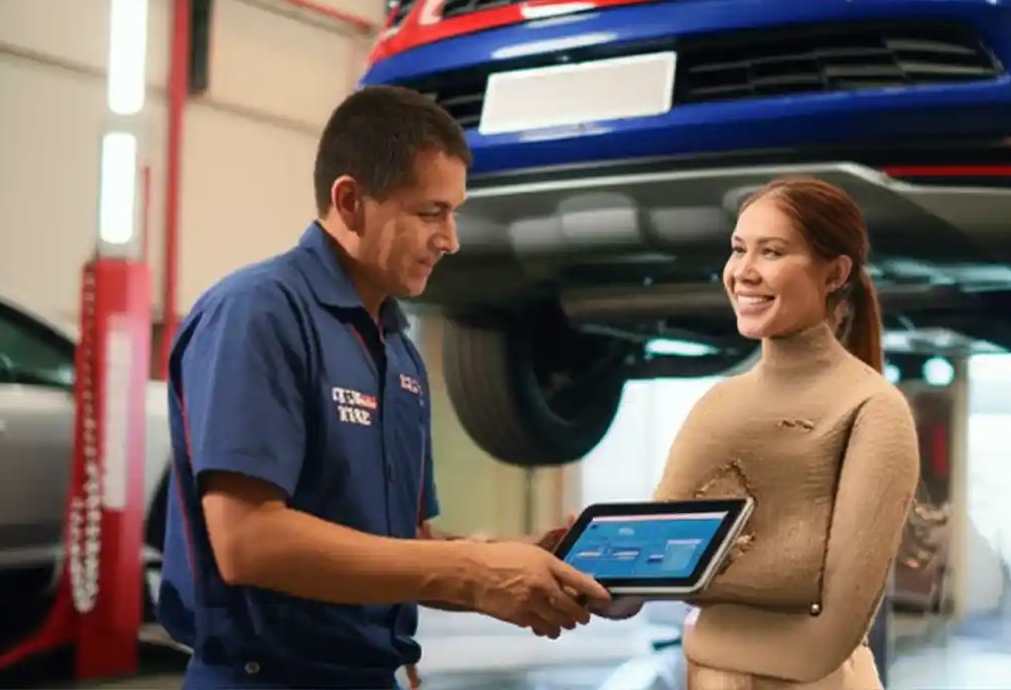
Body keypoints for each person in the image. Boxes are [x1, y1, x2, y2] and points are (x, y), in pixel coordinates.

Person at [156, 85, 611, 690]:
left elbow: (406, 546)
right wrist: (470, 569)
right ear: (350, 201)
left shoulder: (397, 349)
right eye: (430, 213)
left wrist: (521, 553)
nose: (451, 239)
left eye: (454, 213)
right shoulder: (258, 314)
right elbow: (250, 540)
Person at [649, 177, 922, 689]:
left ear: (835, 273)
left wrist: (701, 633)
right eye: (737, 250)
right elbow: (657, 567)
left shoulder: (871, 409)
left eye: (771, 252)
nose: (743, 273)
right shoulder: (717, 405)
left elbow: (823, 643)